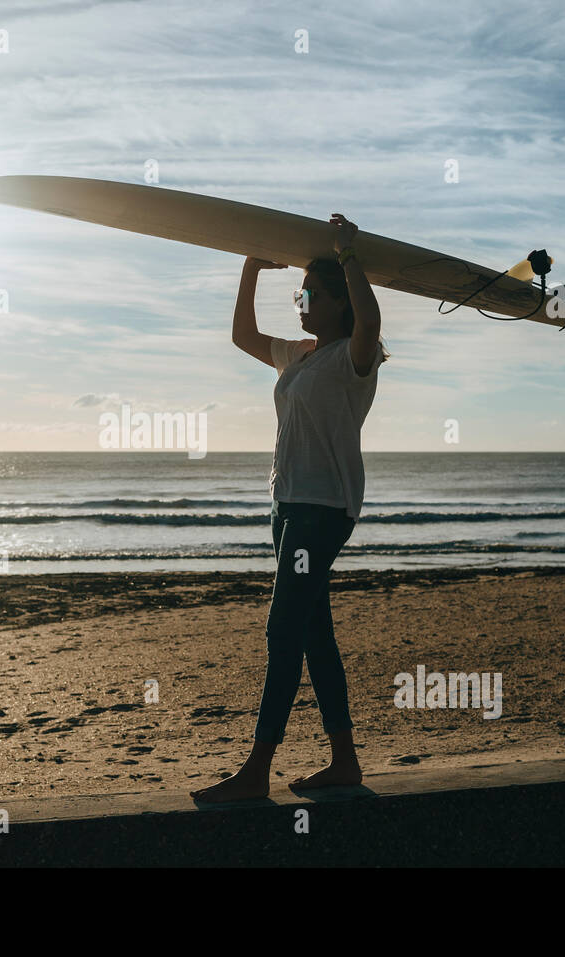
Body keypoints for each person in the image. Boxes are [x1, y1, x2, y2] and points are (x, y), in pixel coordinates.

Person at [190, 213, 388, 802]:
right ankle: (345, 761)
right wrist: (250, 267)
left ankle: (256, 770)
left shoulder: (356, 359)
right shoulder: (299, 356)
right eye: (299, 292)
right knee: (313, 635)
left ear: (337, 303)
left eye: (311, 293)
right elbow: (242, 337)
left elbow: (370, 317)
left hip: (321, 511)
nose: (301, 300)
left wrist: (349, 255)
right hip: (285, 508)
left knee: (281, 632)